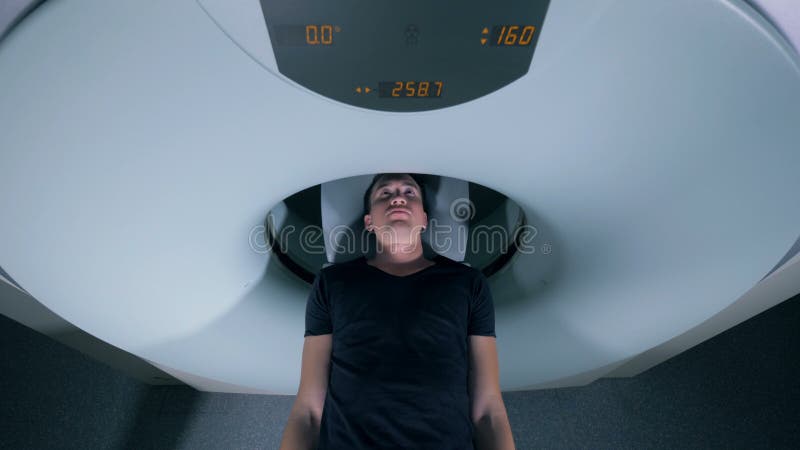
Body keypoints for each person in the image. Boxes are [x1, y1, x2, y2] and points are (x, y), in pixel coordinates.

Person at [279, 173, 515, 449]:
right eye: (385, 193)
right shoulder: (332, 283)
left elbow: (488, 410)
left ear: (424, 219)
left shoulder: (468, 283)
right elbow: (308, 410)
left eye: (409, 192)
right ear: (369, 221)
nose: (398, 198)